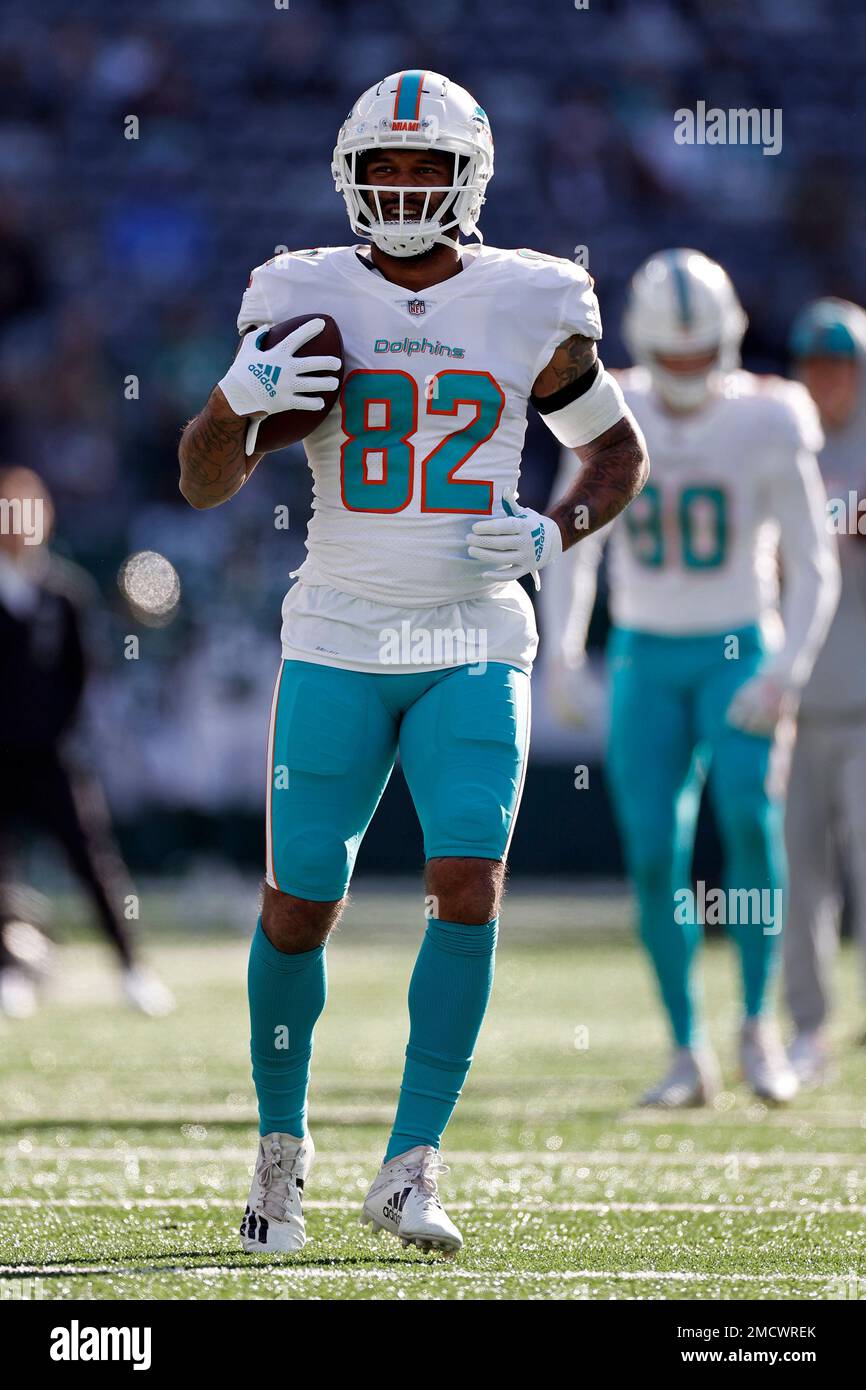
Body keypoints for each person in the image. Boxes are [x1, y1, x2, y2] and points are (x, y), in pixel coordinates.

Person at [178, 70, 649, 1255]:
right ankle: (279, 1156)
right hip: (335, 627)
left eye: (421, 169)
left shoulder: (530, 300)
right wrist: (234, 399)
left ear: (465, 179)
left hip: (474, 632)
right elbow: (201, 475)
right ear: (347, 176)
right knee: (297, 907)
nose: (397, 188)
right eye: (380, 168)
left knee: (468, 885)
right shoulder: (301, 291)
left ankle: (410, 1162)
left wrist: (556, 529)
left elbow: (615, 453)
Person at [544, 250, 839, 1108]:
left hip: (738, 646)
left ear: (730, 340)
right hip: (644, 651)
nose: (683, 369)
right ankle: (686, 1049)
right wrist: (561, 651)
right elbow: (576, 533)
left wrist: (787, 669)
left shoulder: (770, 415)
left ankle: (756, 1027)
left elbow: (815, 565)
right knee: (650, 852)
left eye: (697, 352)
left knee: (751, 818)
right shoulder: (612, 405)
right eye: (670, 355)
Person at [0, 466, 174, 1017]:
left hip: (52, 757)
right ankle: (12, 968)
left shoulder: (63, 591)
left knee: (93, 864)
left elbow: (81, 676)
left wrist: (54, 734)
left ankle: (131, 967)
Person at [783, 299, 866, 1083]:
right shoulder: (783, 444)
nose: (826, 381)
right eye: (814, 365)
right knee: (796, 879)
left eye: (839, 366)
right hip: (793, 700)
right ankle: (809, 1029)